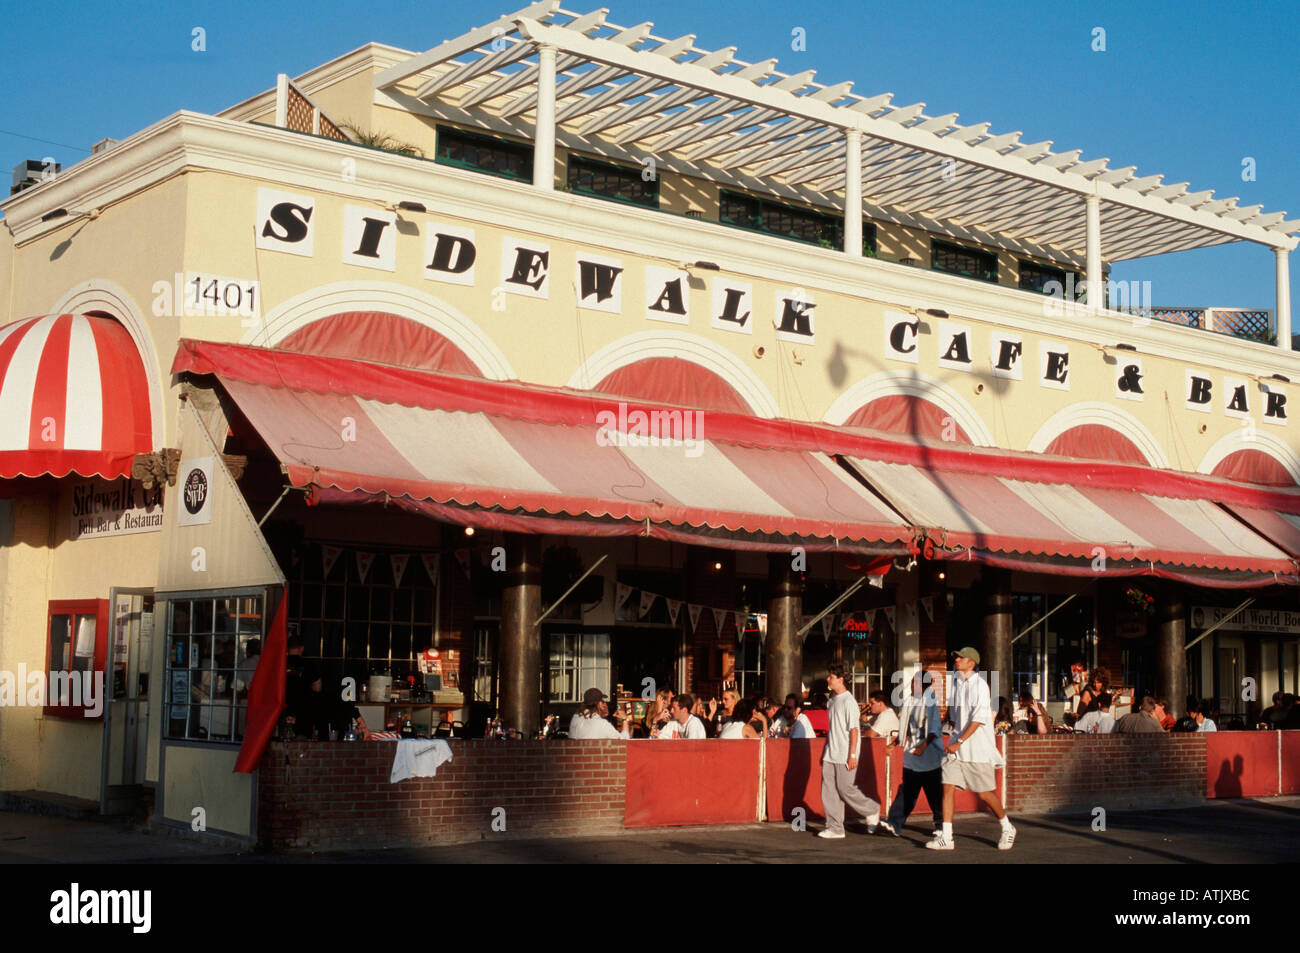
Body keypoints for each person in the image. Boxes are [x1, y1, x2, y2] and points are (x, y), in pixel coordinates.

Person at [926, 647, 1015, 851]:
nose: (956, 660)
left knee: (984, 794)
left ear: (971, 663)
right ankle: (947, 838)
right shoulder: (956, 682)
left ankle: (1007, 827)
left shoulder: (981, 686)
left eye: (961, 657)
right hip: (957, 748)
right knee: (947, 786)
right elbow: (957, 716)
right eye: (956, 657)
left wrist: (959, 741)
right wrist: (946, 732)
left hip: (977, 749)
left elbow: (978, 719)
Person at [817, 664, 884, 839]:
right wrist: (826, 750)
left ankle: (871, 809)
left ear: (840, 680)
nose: (828, 679)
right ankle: (835, 828)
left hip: (845, 753)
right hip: (830, 752)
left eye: (831, 677)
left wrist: (852, 754)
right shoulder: (831, 701)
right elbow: (834, 729)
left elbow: (854, 730)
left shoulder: (849, 701)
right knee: (828, 791)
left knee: (845, 788)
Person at [882, 669, 943, 837]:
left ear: (923, 685)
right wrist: (895, 744)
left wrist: (923, 747)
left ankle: (941, 826)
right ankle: (894, 823)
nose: (911, 685)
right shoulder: (909, 701)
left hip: (929, 756)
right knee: (907, 791)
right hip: (911, 756)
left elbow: (934, 729)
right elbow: (906, 728)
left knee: (935, 795)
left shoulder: (930, 701)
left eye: (915, 682)